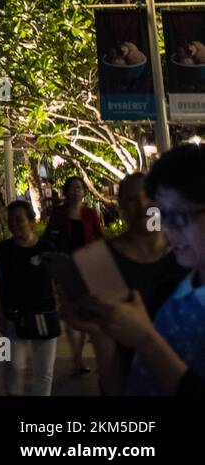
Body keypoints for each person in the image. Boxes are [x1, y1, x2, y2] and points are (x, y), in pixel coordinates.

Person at [73, 143, 205, 395]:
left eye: (180, 217)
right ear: (120, 203)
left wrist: (146, 339)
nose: (168, 229)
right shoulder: (172, 295)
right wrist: (101, 330)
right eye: (165, 216)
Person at [89, 172, 186, 394]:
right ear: (121, 204)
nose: (142, 205)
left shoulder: (188, 249)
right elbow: (105, 341)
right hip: (131, 377)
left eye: (149, 196)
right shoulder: (100, 259)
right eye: (132, 199)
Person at [0, 200, 59, 395]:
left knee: (44, 372)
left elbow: (58, 279)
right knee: (13, 365)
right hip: (13, 316)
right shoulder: (4, 249)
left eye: (19, 220)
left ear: (31, 220)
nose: (14, 225)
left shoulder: (47, 247)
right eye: (10, 220)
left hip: (44, 315)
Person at [46, 175, 105, 378]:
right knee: (71, 313)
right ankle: (77, 359)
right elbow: (49, 237)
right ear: (66, 191)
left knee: (87, 312)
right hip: (66, 268)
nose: (76, 191)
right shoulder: (58, 214)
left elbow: (100, 236)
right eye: (72, 187)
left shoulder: (90, 213)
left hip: (87, 266)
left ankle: (78, 357)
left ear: (84, 191)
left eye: (79, 187)